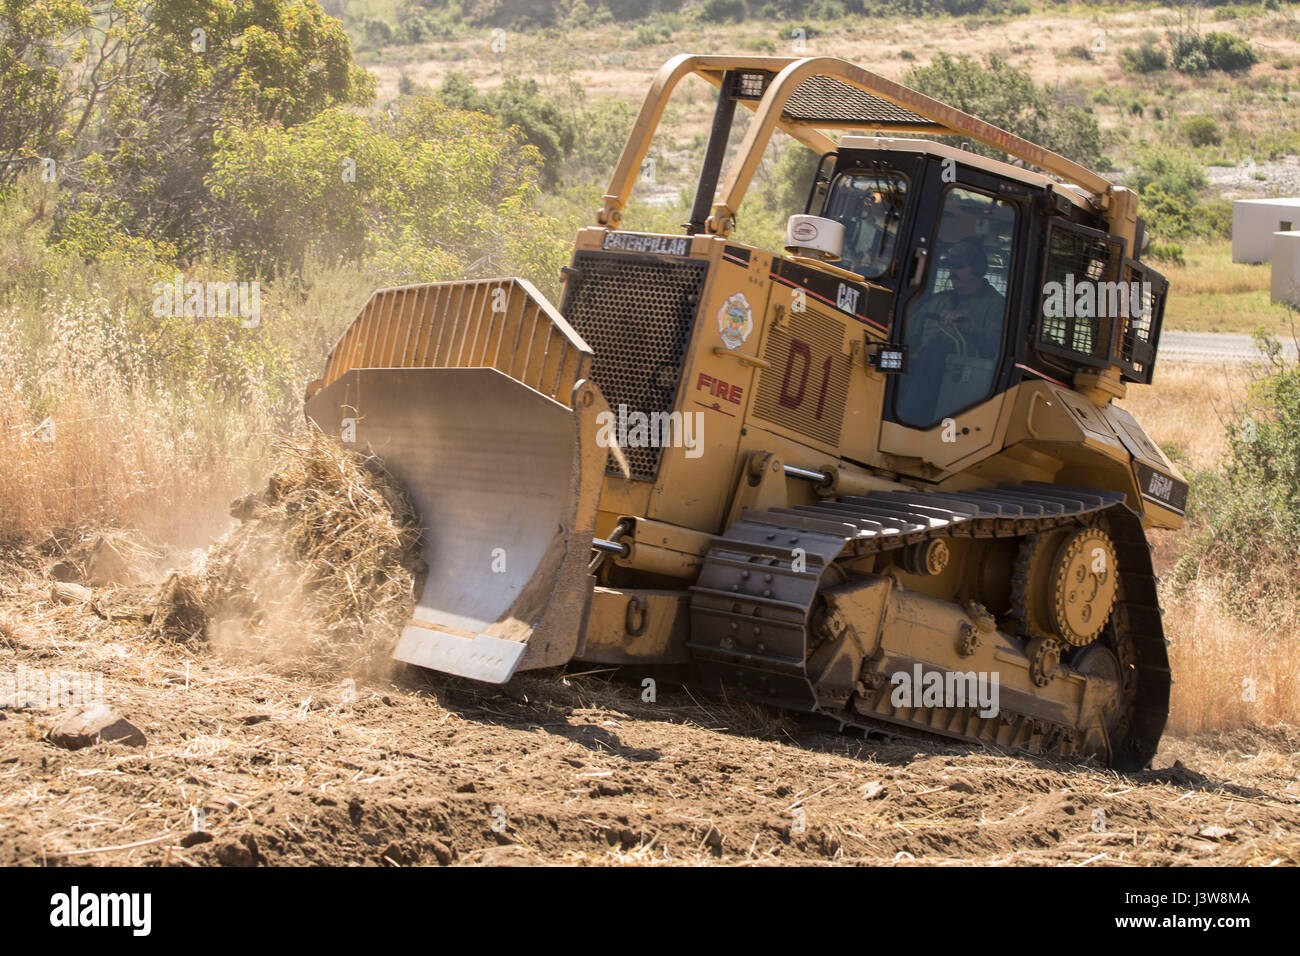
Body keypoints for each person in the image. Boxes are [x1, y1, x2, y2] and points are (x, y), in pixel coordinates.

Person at [897, 236, 1007, 422]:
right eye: (950, 267)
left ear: (979, 269)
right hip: (919, 378)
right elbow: (906, 334)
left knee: (937, 349)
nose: (951, 273)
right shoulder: (938, 301)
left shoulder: (997, 307)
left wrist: (968, 326)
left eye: (958, 267)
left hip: (963, 391)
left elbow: (995, 347)